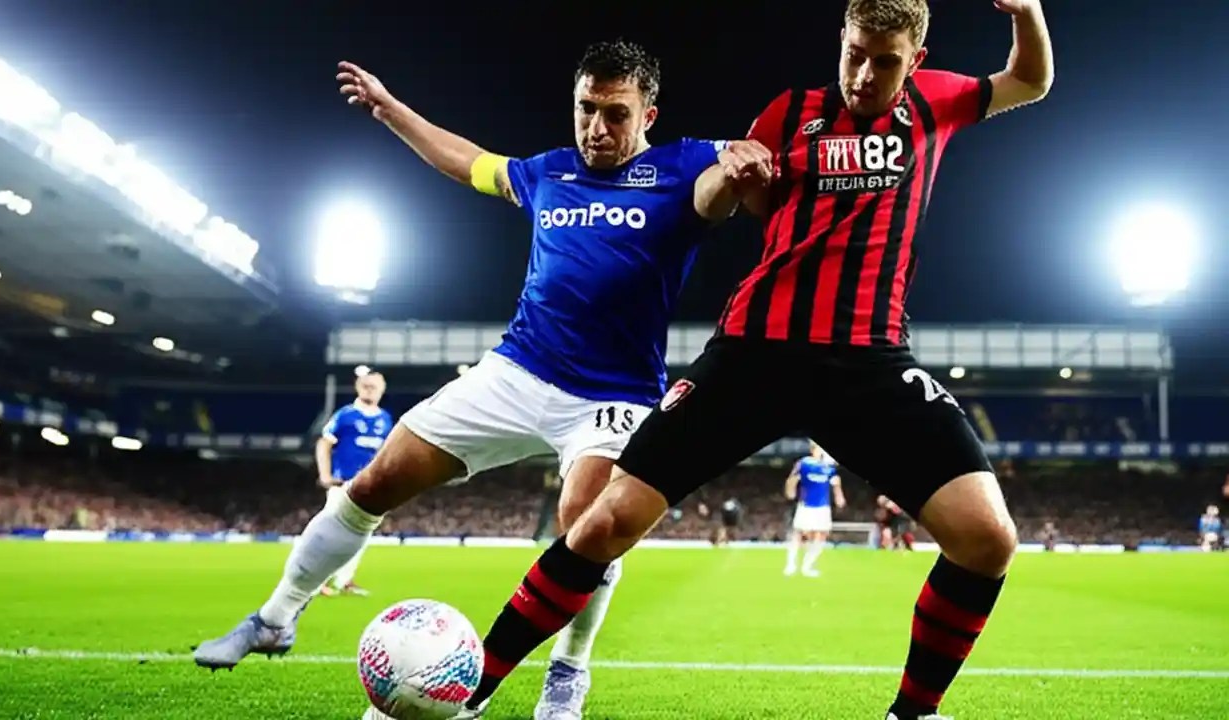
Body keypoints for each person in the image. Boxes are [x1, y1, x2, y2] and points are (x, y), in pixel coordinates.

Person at [459, 2, 1053, 719]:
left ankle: (912, 712)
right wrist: (735, 174)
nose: (864, 75)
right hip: (753, 353)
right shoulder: (789, 112)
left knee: (987, 538)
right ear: (841, 41)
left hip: (868, 362)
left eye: (885, 61)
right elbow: (738, 205)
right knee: (604, 522)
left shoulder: (938, 103)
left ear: (916, 61)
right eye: (855, 53)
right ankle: (472, 690)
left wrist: (1028, 13)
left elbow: (1030, 81)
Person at [192, 39, 772, 720]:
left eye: (615, 114)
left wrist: (742, 166)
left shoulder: (684, 164)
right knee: (372, 484)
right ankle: (274, 618)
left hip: (613, 395)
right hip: (518, 370)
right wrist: (391, 110)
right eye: (586, 109)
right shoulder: (547, 172)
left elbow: (730, 184)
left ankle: (568, 669)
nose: (596, 127)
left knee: (586, 524)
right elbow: (465, 160)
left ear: (648, 113)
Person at [314, 370, 393, 597]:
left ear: (382, 389)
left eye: (374, 386)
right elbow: (324, 444)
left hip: (371, 487)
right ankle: (317, 581)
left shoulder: (385, 419)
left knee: (361, 536)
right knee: (332, 532)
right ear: (358, 387)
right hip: (343, 485)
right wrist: (325, 474)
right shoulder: (345, 415)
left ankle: (344, 581)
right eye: (366, 385)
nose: (370, 389)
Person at [784, 443, 846, 576]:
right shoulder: (804, 463)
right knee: (798, 534)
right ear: (813, 450)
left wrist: (839, 496)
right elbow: (792, 478)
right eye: (819, 449)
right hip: (805, 505)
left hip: (823, 507)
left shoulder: (829, 467)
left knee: (821, 535)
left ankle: (807, 566)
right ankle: (791, 564)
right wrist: (790, 491)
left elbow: (835, 482)